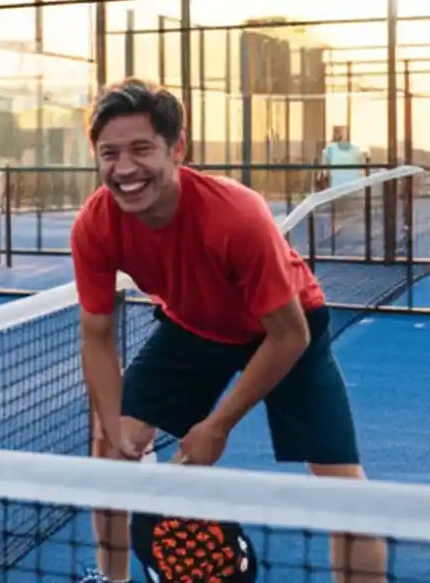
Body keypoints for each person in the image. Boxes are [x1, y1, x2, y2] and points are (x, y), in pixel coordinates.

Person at [71, 79, 387, 583]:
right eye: (109, 153)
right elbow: (97, 336)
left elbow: (288, 335)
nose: (124, 168)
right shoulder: (96, 224)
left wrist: (217, 426)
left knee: (345, 492)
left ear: (178, 149)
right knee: (108, 453)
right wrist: (112, 426)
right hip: (191, 326)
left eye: (140, 149)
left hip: (287, 327)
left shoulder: (235, 215)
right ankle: (110, 580)